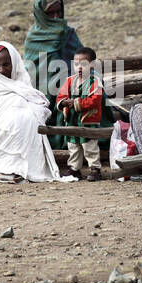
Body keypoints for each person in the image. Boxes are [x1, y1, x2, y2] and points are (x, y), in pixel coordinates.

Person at [0, 42, 73, 183]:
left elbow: (32, 99)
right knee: (16, 119)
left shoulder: (21, 78)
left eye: (6, 65)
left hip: (15, 121)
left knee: (27, 117)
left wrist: (20, 105)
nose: (1, 69)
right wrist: (15, 103)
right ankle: (4, 164)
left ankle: (21, 165)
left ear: (14, 64)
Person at [22, 0, 84, 150]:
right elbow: (32, 72)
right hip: (43, 94)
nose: (56, 17)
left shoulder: (68, 34)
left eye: (59, 12)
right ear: (41, 14)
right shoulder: (33, 39)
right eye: (51, 13)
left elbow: (83, 62)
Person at [55, 46, 104, 181]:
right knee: (73, 145)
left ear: (92, 65)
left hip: (88, 120)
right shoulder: (70, 81)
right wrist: (64, 102)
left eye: (84, 64)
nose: (79, 68)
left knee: (89, 146)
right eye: (76, 64)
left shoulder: (96, 83)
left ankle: (95, 169)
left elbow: (95, 100)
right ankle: (74, 169)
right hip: (72, 120)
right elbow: (61, 96)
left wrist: (75, 103)